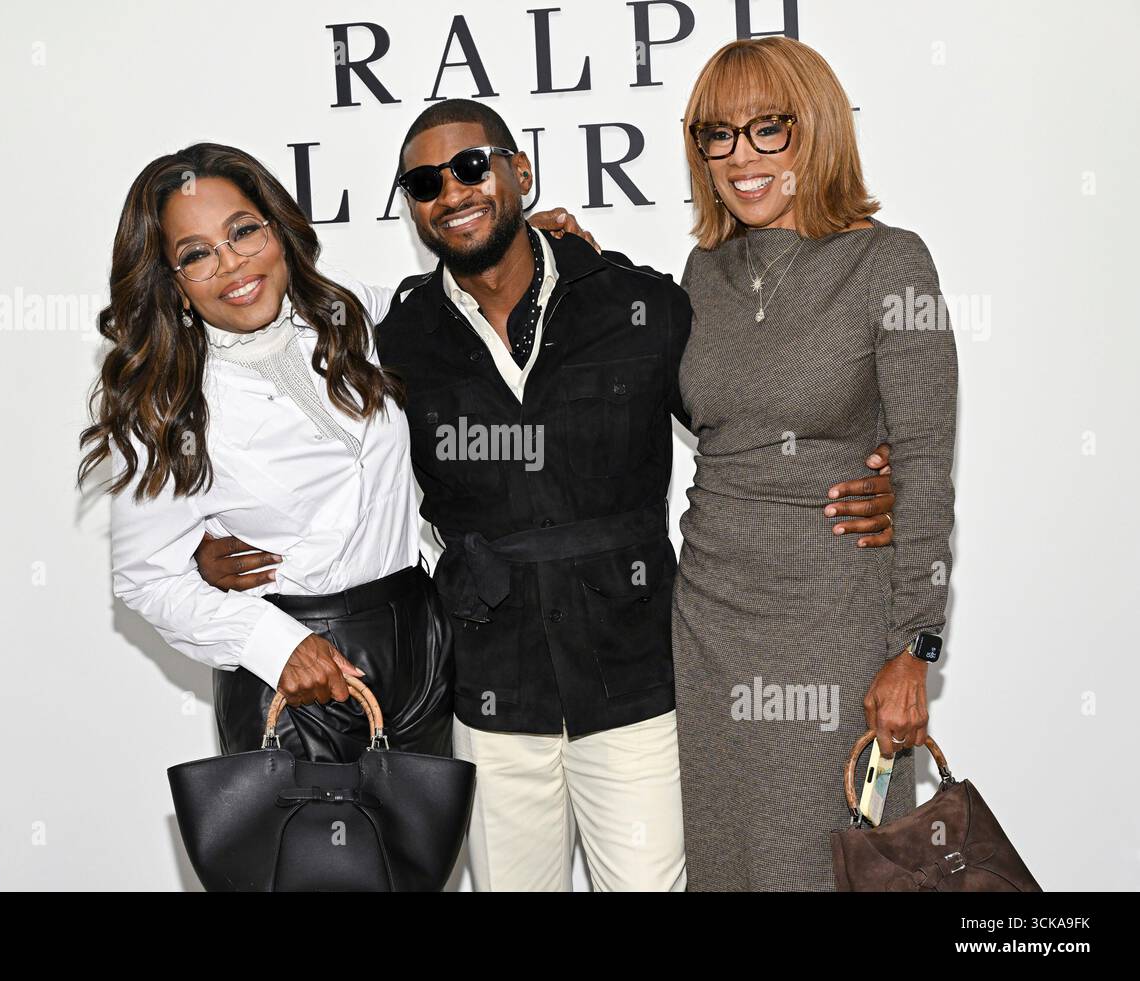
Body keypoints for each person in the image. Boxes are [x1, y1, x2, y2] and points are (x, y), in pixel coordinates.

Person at [200, 99, 898, 891]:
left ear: (518, 172)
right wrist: (205, 540)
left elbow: (750, 426)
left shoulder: (639, 306)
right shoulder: (393, 339)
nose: (452, 191)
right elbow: (325, 469)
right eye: (425, 182)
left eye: (471, 166)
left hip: (638, 683)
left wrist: (869, 474)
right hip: (488, 693)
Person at [80, 142, 590, 765]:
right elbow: (145, 578)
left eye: (243, 232)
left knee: (420, 859)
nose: (232, 264)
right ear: (174, 284)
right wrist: (273, 643)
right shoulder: (168, 403)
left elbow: (443, 304)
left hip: (421, 651)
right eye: (196, 255)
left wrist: (509, 242)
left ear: (277, 230)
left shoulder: (352, 317)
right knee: (310, 862)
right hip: (295, 678)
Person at [672, 37, 958, 889]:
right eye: (717, 135)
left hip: (832, 617)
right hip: (709, 619)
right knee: (726, 860)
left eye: (769, 129)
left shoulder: (888, 262)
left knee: (830, 860)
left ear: (819, 129)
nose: (742, 157)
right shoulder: (702, 271)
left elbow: (925, 463)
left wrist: (915, 645)